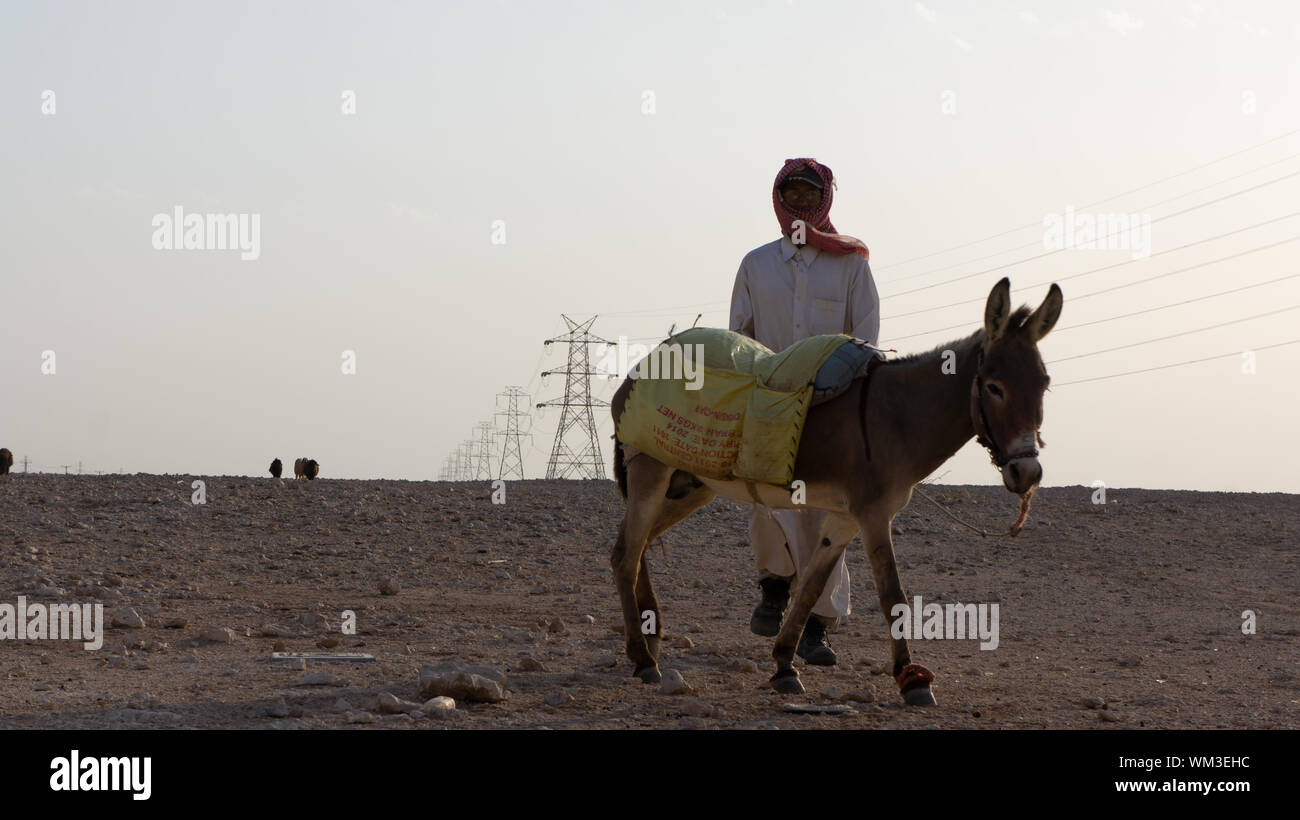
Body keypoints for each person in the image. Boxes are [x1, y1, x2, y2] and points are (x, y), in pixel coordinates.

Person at [728, 157, 880, 665]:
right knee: (765, 500)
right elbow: (738, 340)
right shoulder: (756, 265)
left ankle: (817, 624)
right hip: (770, 406)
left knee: (827, 515)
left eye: (807, 196)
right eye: (789, 195)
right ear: (778, 200)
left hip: (830, 411)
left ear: (823, 201)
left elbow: (866, 339)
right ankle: (773, 586)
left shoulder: (852, 263)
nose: (798, 204)